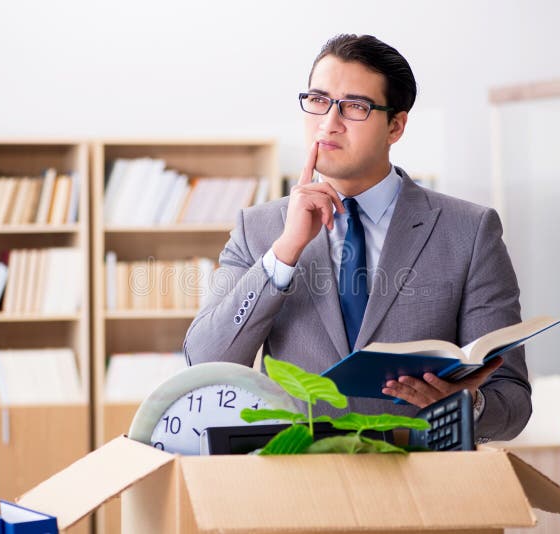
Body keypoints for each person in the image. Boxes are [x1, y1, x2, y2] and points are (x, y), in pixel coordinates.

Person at [184, 34, 530, 441]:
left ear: (395, 126)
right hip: (295, 485)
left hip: (422, 487)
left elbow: (513, 403)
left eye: (354, 107)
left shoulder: (469, 231)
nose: (328, 123)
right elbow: (205, 364)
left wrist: (464, 403)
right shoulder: (259, 228)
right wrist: (285, 252)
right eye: (317, 100)